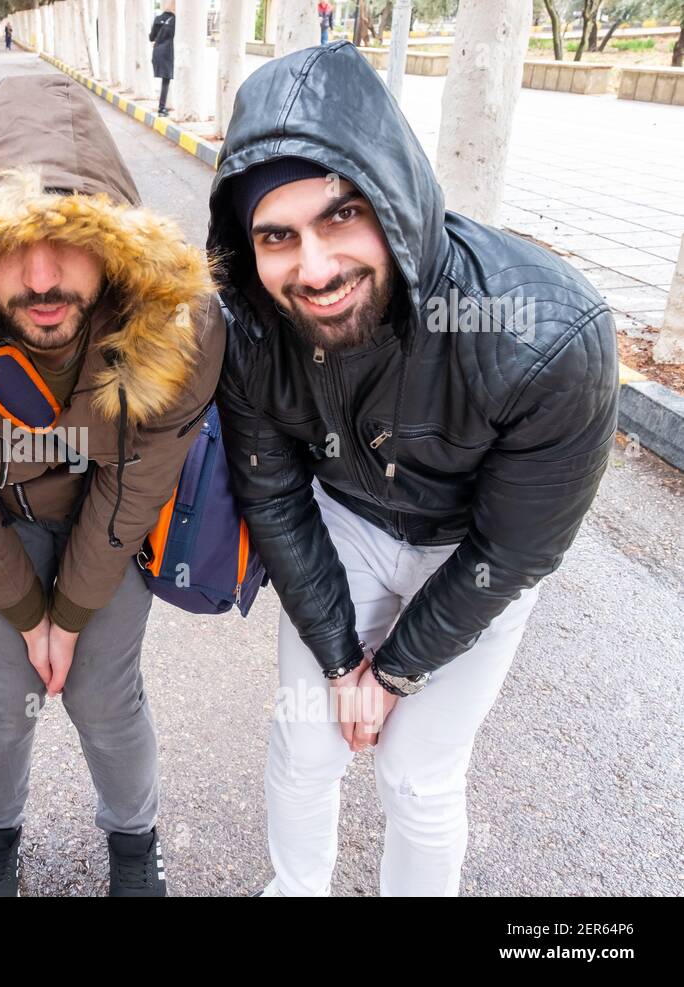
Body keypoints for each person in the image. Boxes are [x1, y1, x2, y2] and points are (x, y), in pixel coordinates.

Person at [209, 42, 618, 896]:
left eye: (340, 216)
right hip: (344, 524)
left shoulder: (546, 338)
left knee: (417, 774)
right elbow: (274, 495)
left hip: (471, 550)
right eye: (276, 236)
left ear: (395, 200)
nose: (313, 268)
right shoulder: (245, 326)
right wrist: (337, 661)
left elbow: (514, 551)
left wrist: (394, 672)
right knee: (306, 742)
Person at [0, 75, 225, 897]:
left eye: (74, 240)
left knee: (103, 690)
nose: (44, 276)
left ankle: (134, 845)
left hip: (111, 512)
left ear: (119, 246)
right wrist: (29, 615)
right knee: (2, 694)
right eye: (7, 246)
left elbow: (136, 482)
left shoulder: (179, 325)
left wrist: (73, 613)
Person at [149, 0, 176, 117]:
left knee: (165, 80)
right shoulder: (175, 20)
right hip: (168, 52)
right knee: (166, 80)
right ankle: (161, 108)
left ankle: (163, 107)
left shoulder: (158, 18)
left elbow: (151, 37)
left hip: (157, 51)